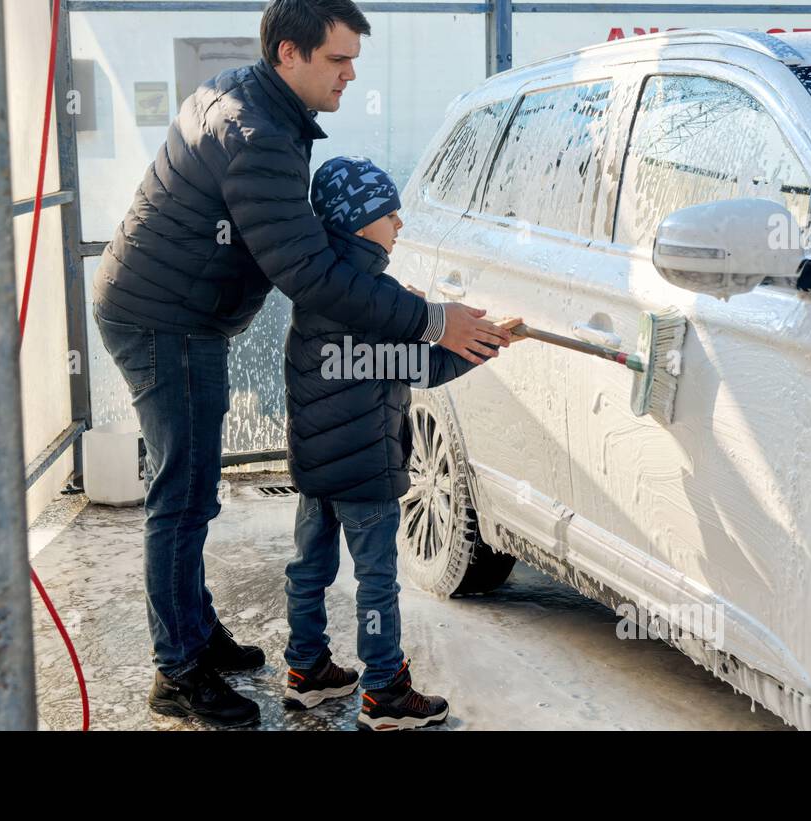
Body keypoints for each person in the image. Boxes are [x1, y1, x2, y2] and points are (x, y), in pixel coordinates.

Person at [92, 0, 513, 728]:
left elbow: (308, 260)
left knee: (195, 489)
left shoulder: (252, 104)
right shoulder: (257, 136)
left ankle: (197, 633)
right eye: (338, 59)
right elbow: (311, 275)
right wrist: (434, 320)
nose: (351, 74)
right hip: (166, 322)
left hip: (178, 315)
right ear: (290, 53)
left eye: (354, 59)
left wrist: (396, 301)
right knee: (183, 496)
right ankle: (178, 669)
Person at [281, 156, 522, 730]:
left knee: (309, 569)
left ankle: (305, 669)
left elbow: (365, 360)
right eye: (391, 213)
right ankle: (385, 689)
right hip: (365, 470)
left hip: (316, 468)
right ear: (361, 223)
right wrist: (482, 346)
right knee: (376, 583)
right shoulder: (371, 297)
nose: (400, 224)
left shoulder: (326, 288)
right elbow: (422, 367)